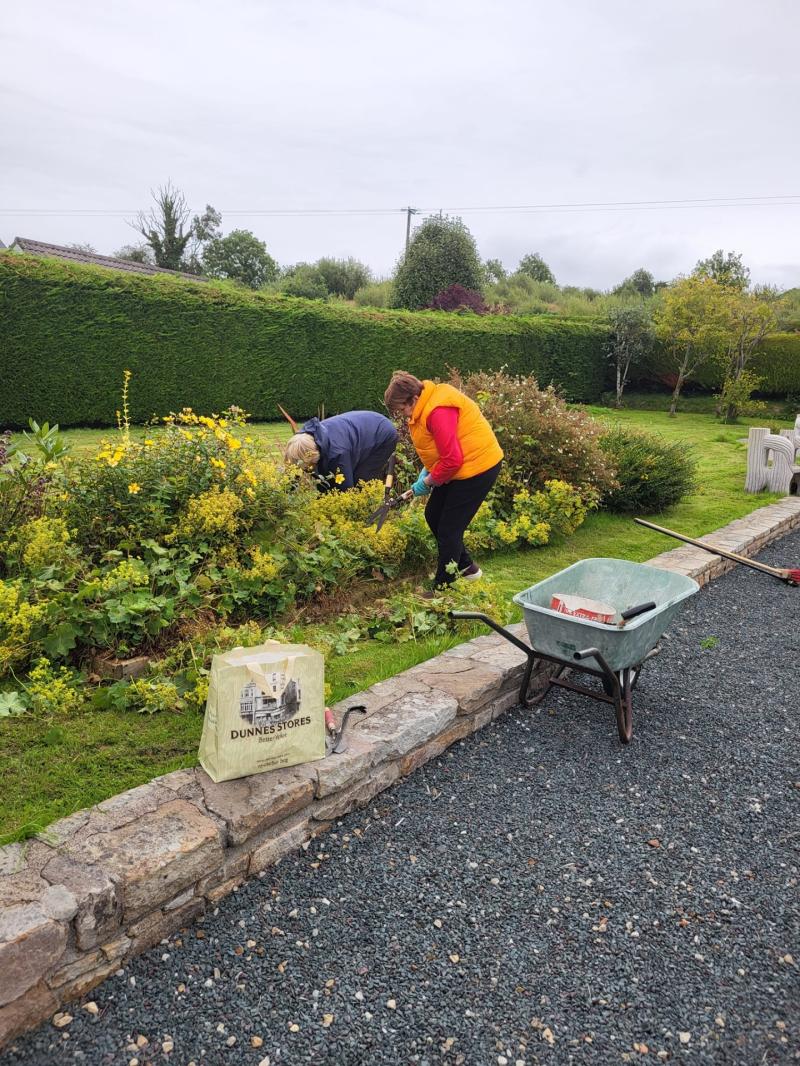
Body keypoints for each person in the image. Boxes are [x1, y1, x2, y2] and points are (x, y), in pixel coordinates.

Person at [383, 371, 503, 589]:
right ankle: (467, 567)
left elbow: (452, 460)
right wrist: (428, 469)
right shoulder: (423, 408)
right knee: (433, 515)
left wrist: (428, 482)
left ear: (414, 398)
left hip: (479, 466)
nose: (402, 415)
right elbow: (439, 447)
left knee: (449, 529)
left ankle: (442, 589)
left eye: (402, 409)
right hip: (458, 465)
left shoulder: (438, 410)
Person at [283, 410, 398, 491]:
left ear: (314, 455)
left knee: (360, 482)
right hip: (362, 426)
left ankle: (363, 517)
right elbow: (295, 471)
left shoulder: (337, 454)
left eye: (308, 466)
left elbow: (345, 489)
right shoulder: (305, 438)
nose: (307, 470)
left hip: (382, 434)